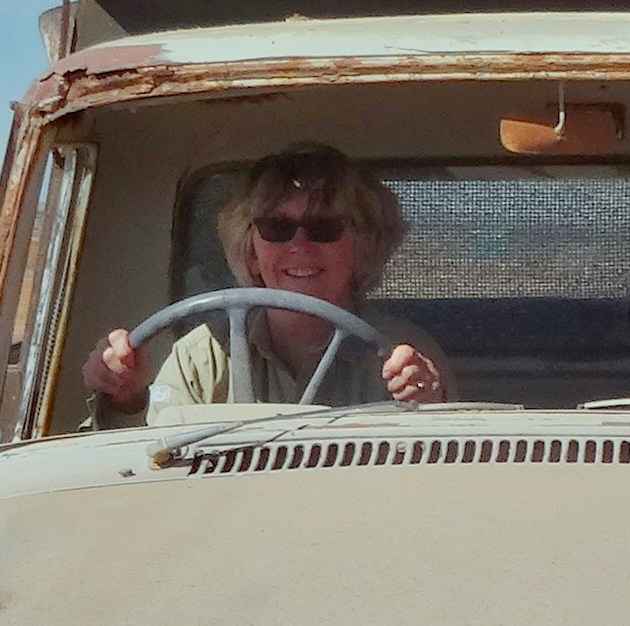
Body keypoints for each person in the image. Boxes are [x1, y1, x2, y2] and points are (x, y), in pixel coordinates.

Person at [83, 142, 454, 421]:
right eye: (277, 227)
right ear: (251, 248)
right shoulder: (200, 358)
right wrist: (123, 393)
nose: (299, 244)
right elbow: (154, 470)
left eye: (324, 227)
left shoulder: (403, 356)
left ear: (361, 246)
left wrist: (429, 403)